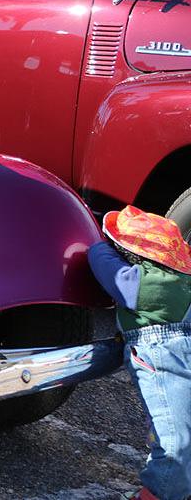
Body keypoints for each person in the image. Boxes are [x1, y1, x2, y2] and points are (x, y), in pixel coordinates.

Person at [87, 205, 191, 500]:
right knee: (181, 424)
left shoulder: (143, 283)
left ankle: (159, 493)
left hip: (160, 357)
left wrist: (100, 243)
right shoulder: (183, 282)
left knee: (172, 441)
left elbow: (99, 259)